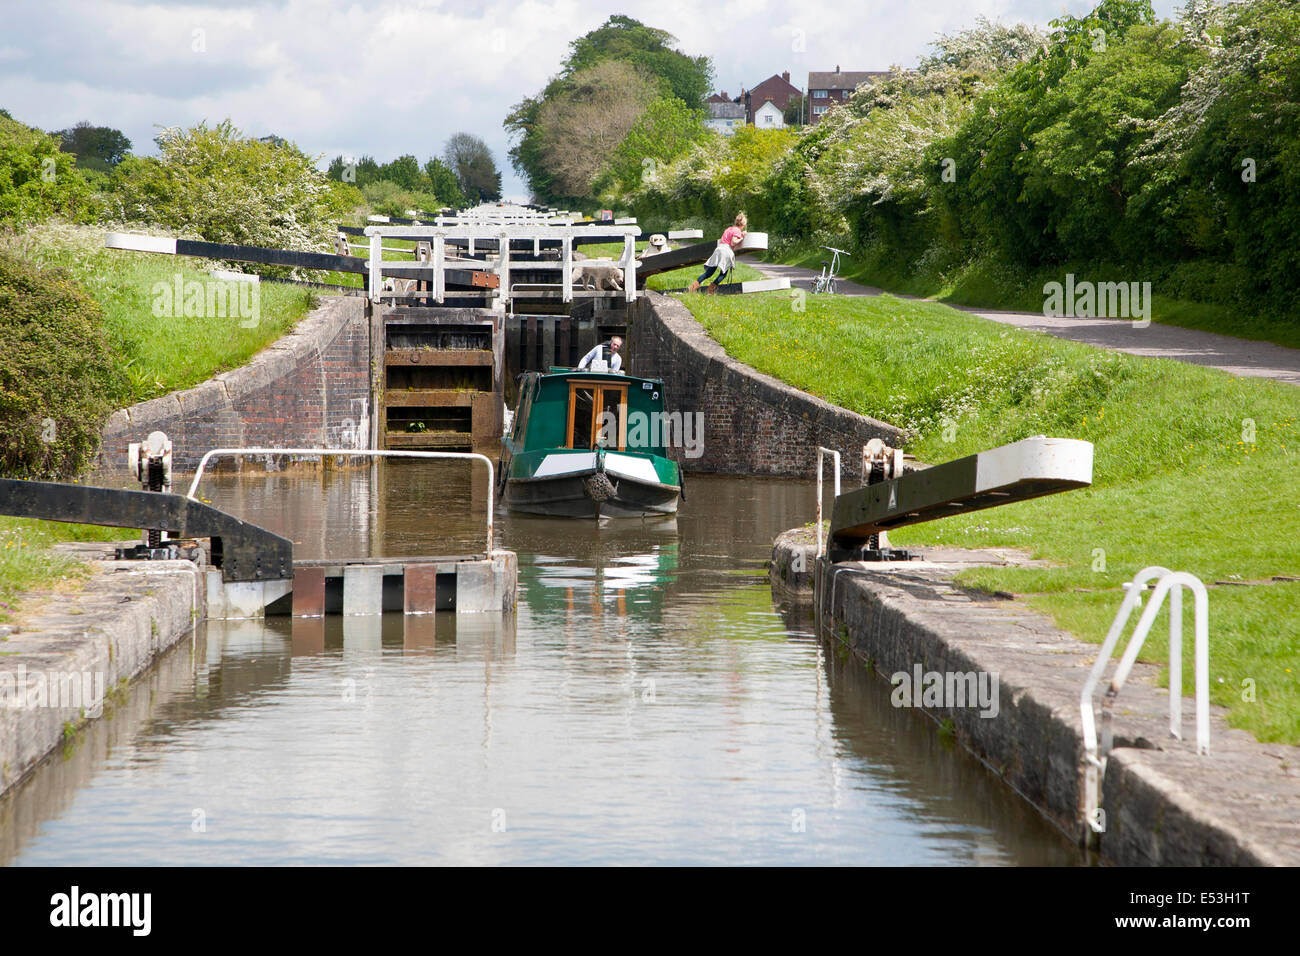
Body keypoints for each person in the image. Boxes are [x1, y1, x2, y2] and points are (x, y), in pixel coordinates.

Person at [688, 213, 747, 294]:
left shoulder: (728, 229)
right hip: (726, 251)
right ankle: (710, 291)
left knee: (709, 273)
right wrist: (742, 237)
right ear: (743, 224)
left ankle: (692, 288)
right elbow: (733, 242)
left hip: (719, 249)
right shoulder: (737, 231)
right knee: (723, 274)